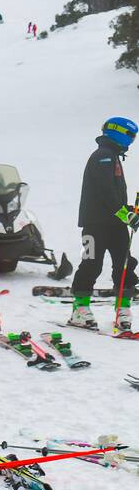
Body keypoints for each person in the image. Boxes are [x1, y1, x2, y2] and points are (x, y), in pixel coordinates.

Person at [69, 117, 138, 331]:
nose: (132, 141)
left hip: (115, 225)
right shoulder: (103, 157)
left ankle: (123, 309)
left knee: (124, 264)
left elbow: (113, 195)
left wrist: (129, 210)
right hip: (95, 224)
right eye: (131, 136)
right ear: (118, 134)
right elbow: (104, 191)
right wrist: (124, 213)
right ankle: (80, 309)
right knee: (91, 263)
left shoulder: (113, 156)